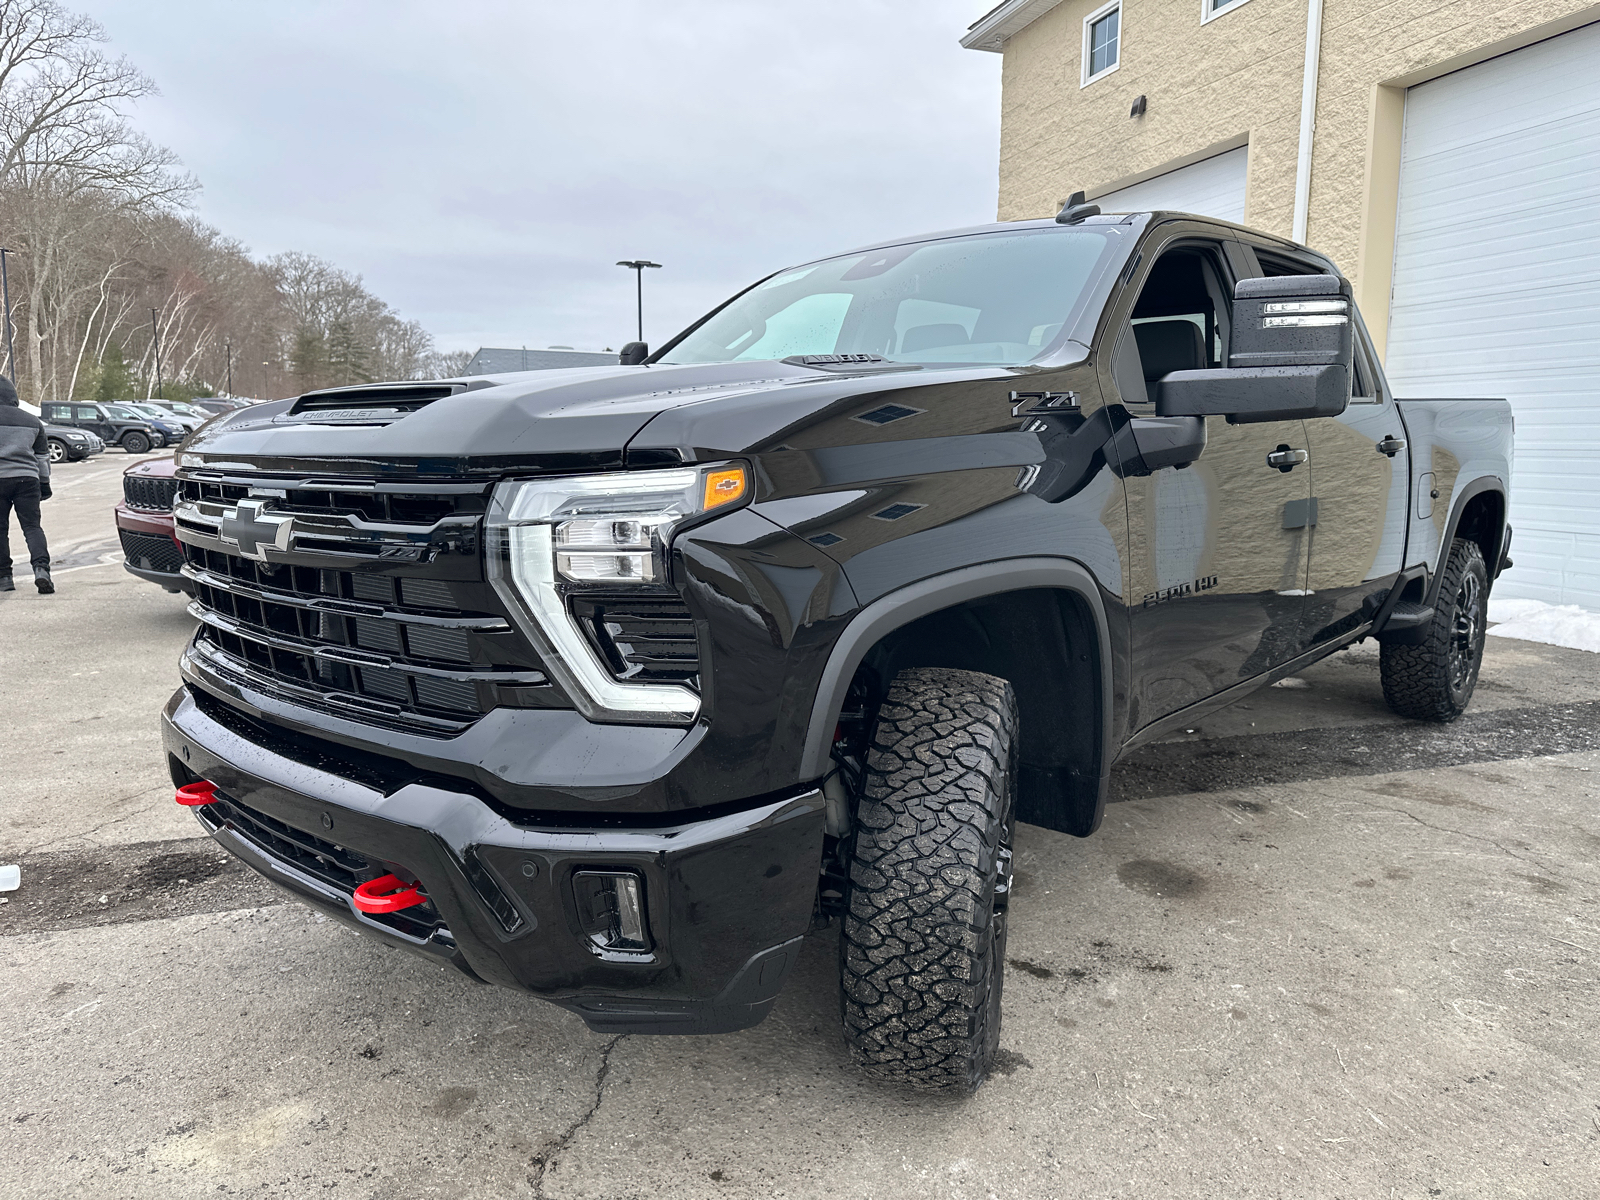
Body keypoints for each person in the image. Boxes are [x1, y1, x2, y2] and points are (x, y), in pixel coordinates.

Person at [0, 376, 53, 594]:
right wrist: (44, 484)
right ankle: (41, 570)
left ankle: (4, 577)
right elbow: (42, 457)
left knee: (0, 529)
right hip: (27, 479)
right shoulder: (32, 421)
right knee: (32, 527)